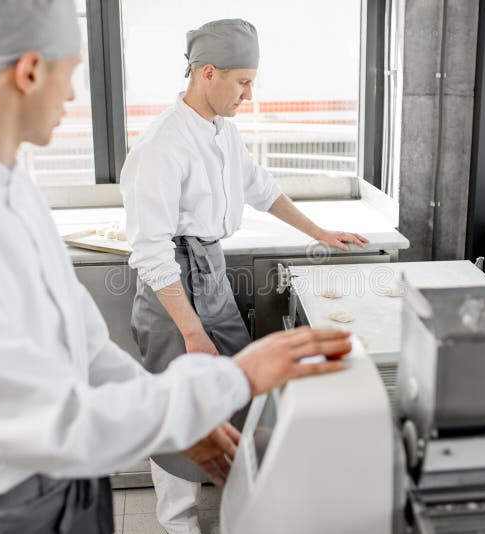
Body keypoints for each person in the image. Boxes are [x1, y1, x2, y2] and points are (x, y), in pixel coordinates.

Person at [0, 3, 351, 533]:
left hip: (75, 484)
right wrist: (227, 383)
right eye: (70, 75)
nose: (71, 97)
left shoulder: (10, 187)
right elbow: (46, 421)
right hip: (0, 510)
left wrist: (177, 419)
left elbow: (85, 349)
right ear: (28, 71)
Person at [121, 18, 368, 534]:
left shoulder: (222, 134)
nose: (249, 95)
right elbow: (150, 251)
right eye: (243, 82)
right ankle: (177, 523)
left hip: (210, 276)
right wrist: (191, 332)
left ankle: (242, 507)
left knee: (237, 390)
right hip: (174, 291)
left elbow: (262, 189)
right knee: (179, 407)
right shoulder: (161, 145)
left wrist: (321, 231)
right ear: (207, 73)